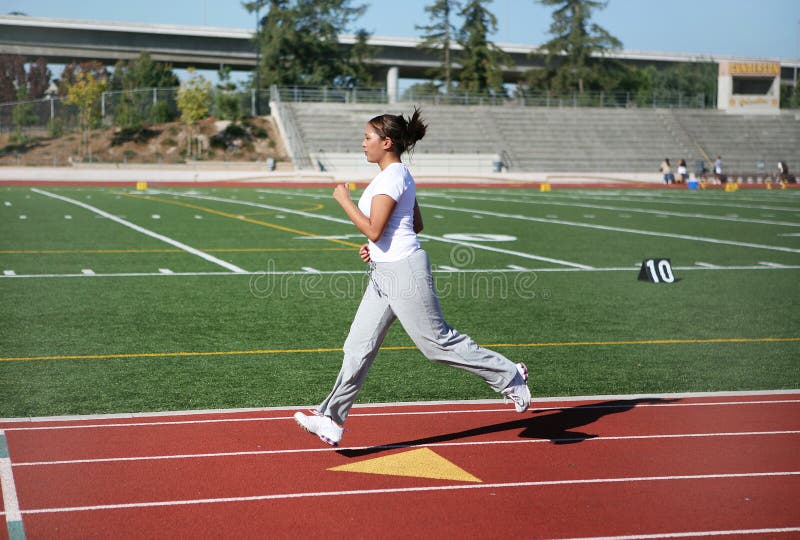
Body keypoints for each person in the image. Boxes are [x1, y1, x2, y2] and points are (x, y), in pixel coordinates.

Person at [294, 108, 531, 446]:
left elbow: (376, 229)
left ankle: (509, 374)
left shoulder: (392, 177)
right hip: (384, 271)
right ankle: (331, 419)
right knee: (358, 346)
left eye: (367, 138)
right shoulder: (394, 176)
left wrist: (345, 202)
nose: (363, 144)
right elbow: (412, 224)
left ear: (386, 142)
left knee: (436, 344)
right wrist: (374, 250)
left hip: (404, 271)